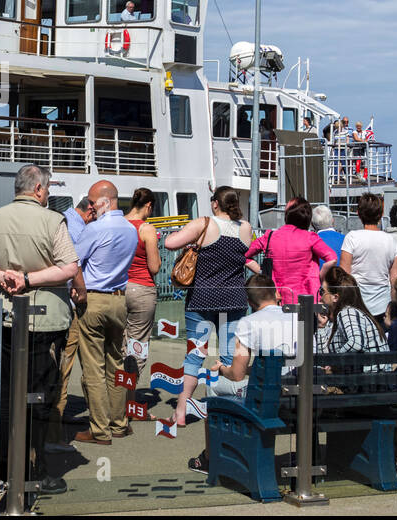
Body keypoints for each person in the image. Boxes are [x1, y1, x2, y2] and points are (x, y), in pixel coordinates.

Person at [0, 163, 79, 497]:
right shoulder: (52, 221)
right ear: (39, 190)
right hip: (45, 321)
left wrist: (6, 277)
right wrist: (29, 279)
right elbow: (69, 268)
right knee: (40, 396)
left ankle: (3, 467)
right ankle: (38, 469)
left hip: (5, 317)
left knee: (6, 393)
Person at [162, 185, 252, 426]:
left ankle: (181, 409)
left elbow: (170, 242)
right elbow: (249, 257)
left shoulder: (204, 223)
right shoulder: (245, 228)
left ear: (215, 204)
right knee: (227, 357)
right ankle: (227, 410)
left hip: (201, 298)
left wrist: (193, 244)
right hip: (234, 300)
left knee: (195, 355)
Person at [194, 275, 298, 474]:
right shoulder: (297, 316)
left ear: (249, 302)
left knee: (212, 385)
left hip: (271, 398)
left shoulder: (248, 322)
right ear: (277, 293)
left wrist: (221, 368)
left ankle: (210, 458)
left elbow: (237, 375)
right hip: (301, 393)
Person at [72, 179, 139, 445]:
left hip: (94, 300)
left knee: (93, 368)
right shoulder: (131, 229)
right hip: (119, 300)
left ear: (104, 201)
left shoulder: (96, 229)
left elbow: (74, 262)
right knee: (116, 363)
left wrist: (78, 290)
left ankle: (100, 430)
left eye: (91, 202)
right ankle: (119, 423)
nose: (89, 207)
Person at [48, 196, 95, 451]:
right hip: (68, 303)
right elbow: (74, 264)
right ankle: (53, 433)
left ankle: (51, 424)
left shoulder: (61, 220)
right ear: (89, 210)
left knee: (57, 366)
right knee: (64, 368)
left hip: (53, 300)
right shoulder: (74, 227)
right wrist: (83, 293)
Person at [244, 196, 337, 306]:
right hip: (305, 301)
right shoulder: (310, 238)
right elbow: (332, 259)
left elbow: (244, 254)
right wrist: (318, 278)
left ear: (287, 216)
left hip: (276, 300)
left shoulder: (270, 236)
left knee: (280, 323)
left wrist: (262, 271)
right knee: (303, 324)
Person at [339, 192, 397, 322]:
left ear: (359, 213)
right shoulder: (391, 240)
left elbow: (344, 274)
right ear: (381, 214)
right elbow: (395, 278)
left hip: (356, 302)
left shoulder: (352, 237)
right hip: (383, 304)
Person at [122, 188, 162, 385]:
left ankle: (115, 395)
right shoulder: (146, 229)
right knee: (137, 346)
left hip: (119, 288)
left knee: (119, 346)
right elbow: (154, 267)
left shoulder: (119, 223)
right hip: (142, 288)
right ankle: (128, 400)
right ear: (148, 206)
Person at [315, 265, 388, 360]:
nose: (320, 296)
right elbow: (324, 359)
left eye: (322, 291)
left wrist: (335, 363)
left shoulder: (348, 312)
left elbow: (356, 343)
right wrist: (321, 326)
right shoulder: (334, 319)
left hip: (370, 374)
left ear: (335, 297)